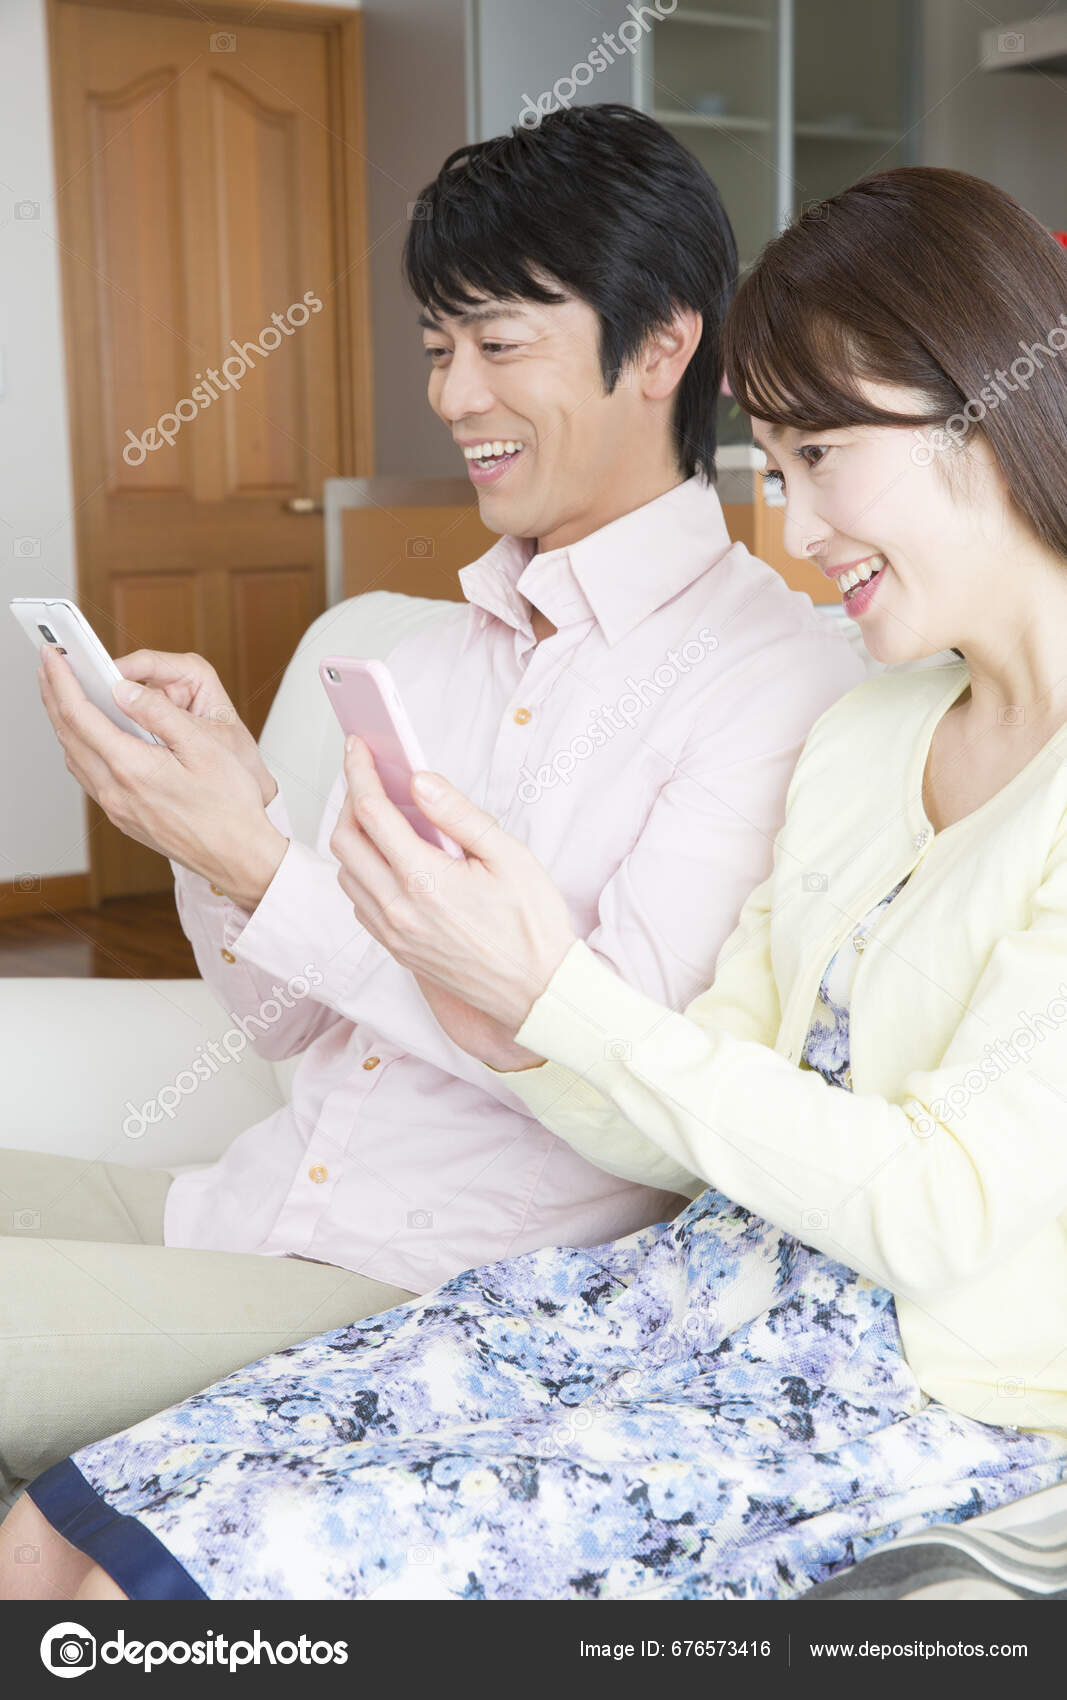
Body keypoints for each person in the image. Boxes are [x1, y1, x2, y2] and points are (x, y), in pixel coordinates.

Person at [0, 104, 864, 1498]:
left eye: (500, 344)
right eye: (436, 349)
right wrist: (221, 836)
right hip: (251, 1205)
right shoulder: (420, 656)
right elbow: (287, 1019)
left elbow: (627, 1086)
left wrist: (266, 867)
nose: (455, 395)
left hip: (434, 1297)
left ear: (661, 345)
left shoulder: (769, 680)